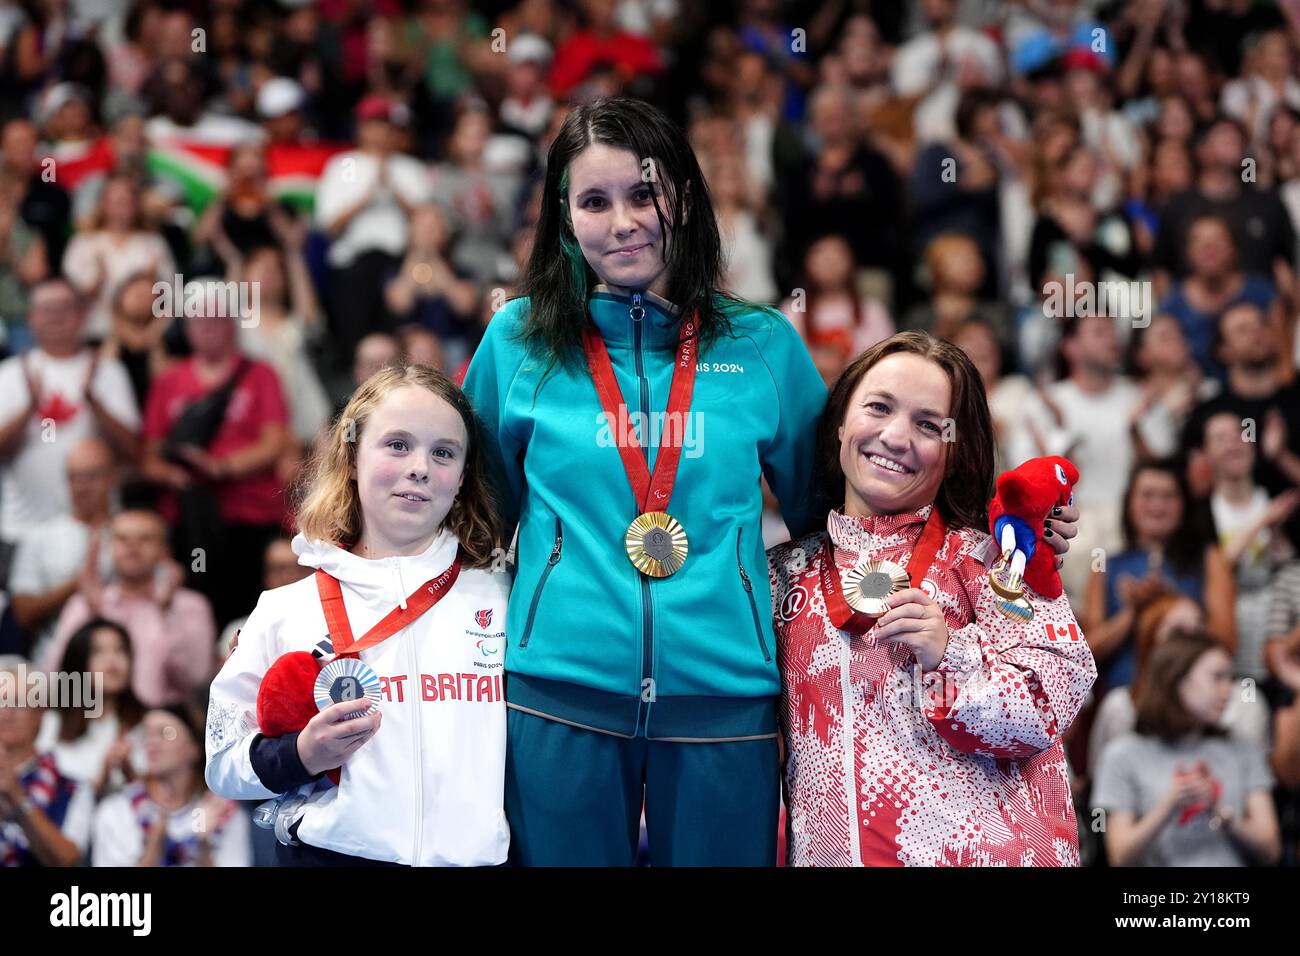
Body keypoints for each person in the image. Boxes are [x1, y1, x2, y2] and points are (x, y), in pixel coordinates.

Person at [463, 96, 825, 866]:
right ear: (564, 217)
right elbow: (474, 520)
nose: (622, 221)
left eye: (643, 193)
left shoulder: (763, 345)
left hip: (725, 697)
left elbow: (835, 521)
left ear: (684, 199)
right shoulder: (515, 341)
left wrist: (991, 533)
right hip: (558, 693)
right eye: (594, 201)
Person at [769, 332, 1094, 866]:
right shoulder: (783, 576)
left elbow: (1052, 700)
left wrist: (950, 657)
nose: (895, 437)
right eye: (878, 407)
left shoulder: (991, 561)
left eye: (927, 424)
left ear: (953, 449)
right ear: (840, 423)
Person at [205, 365, 509, 867]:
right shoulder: (284, 609)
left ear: (461, 478)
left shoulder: (499, 598)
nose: (420, 467)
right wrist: (302, 755)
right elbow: (222, 763)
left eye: (443, 452)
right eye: (397, 445)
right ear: (350, 458)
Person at [138, 282, 291, 628]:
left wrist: (222, 468)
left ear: (232, 324)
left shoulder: (260, 375)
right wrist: (177, 476)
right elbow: (148, 456)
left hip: (250, 515)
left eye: (217, 320)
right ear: (187, 328)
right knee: (196, 603)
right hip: (190, 518)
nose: (207, 329)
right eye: (199, 321)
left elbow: (274, 442)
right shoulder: (169, 381)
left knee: (251, 610)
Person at [1092, 632, 1281, 866]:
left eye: (1230, 678)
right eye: (1217, 677)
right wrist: (1172, 802)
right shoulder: (1122, 754)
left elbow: (1271, 851)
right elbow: (1119, 857)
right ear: (1177, 678)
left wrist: (1219, 811)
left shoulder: (1244, 749)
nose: (1228, 690)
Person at [0, 278, 141, 541]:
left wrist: (94, 403)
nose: (56, 316)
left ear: (81, 315)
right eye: (47, 309)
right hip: (22, 528)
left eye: (64, 307)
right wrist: (28, 409)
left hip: (97, 529)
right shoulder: (8, 374)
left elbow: (133, 452)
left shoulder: (109, 371)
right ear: (31, 318)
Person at [1081, 460, 1236, 690]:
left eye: (1168, 496)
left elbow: (1226, 642)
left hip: (1193, 694)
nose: (1157, 505)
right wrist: (1134, 612)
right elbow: (1086, 653)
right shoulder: (1104, 563)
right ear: (1129, 502)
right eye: (1147, 495)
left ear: (1184, 504)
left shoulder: (1208, 557)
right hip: (1124, 695)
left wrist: (1170, 604)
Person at [44, 507, 216, 709]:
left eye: (145, 539)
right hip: (95, 717)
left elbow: (197, 678)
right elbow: (54, 678)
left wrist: (167, 613)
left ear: (164, 550)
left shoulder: (190, 606)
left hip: (161, 724)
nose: (132, 547)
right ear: (108, 548)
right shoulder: (85, 604)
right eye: (122, 539)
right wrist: (91, 616)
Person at [93, 702, 250, 866]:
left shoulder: (221, 812)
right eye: (146, 734)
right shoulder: (116, 812)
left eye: (166, 733)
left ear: (195, 746)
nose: (151, 743)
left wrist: (203, 846)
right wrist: (154, 846)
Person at [8, 437, 116, 661]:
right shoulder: (40, 536)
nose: (82, 486)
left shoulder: (135, 532)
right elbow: (22, 614)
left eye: (92, 476)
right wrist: (76, 584)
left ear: (112, 477)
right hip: (58, 668)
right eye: (74, 477)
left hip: (124, 662)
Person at [0, 657, 94, 867]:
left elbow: (67, 860)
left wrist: (17, 798)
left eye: (19, 703)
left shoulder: (73, 788)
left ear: (41, 712)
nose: (7, 713)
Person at [37, 618, 145, 796]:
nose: (112, 661)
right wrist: (102, 776)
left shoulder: (143, 725)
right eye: (98, 651)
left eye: (120, 650)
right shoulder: (51, 722)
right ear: (78, 661)